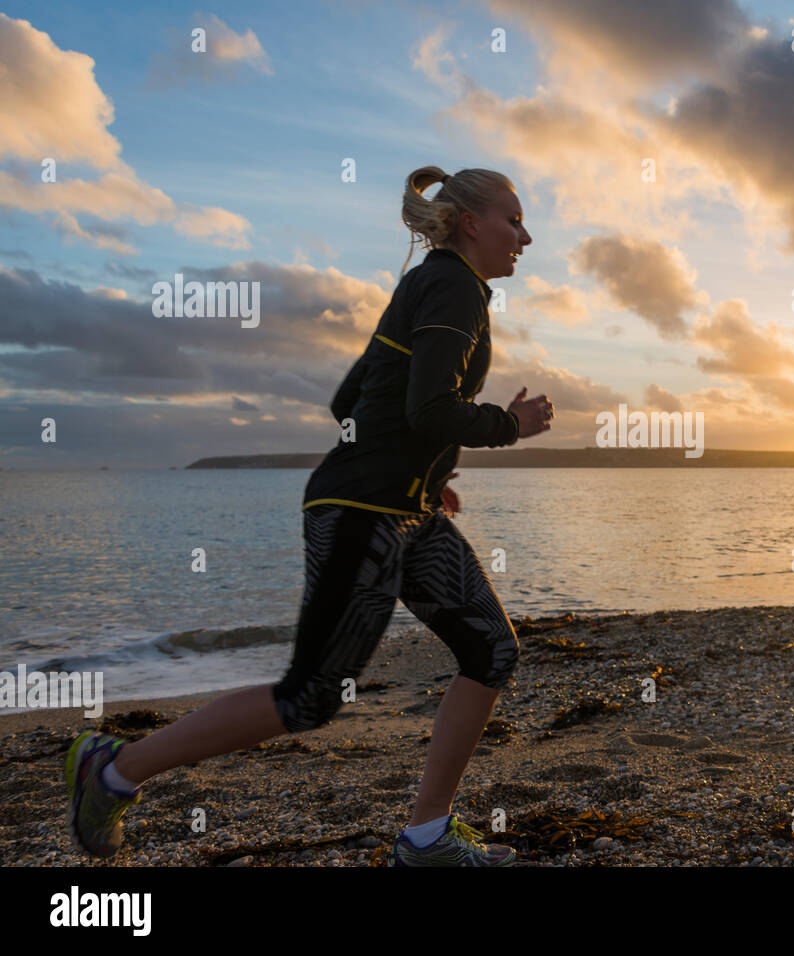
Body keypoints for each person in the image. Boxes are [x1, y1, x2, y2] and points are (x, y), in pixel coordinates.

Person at [64, 165, 552, 867]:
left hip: (402, 508)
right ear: (471, 224)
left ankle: (425, 839)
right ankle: (109, 769)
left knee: (491, 650)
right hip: (362, 514)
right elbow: (427, 409)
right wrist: (510, 423)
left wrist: (428, 474)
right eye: (514, 220)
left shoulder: (431, 286)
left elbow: (351, 400)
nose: (525, 237)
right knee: (310, 697)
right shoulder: (453, 285)